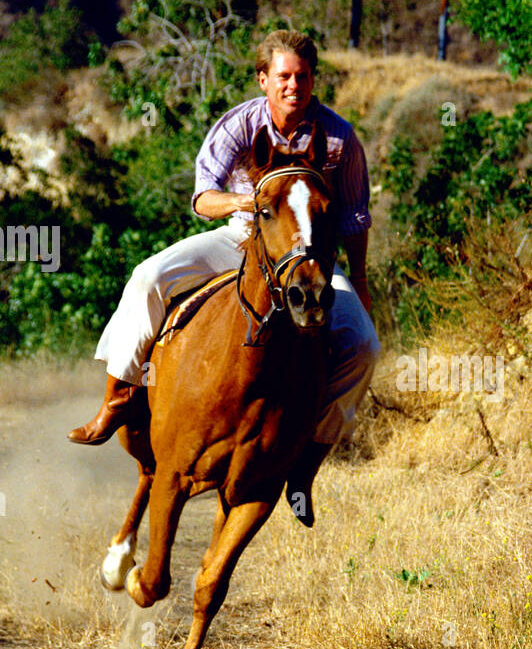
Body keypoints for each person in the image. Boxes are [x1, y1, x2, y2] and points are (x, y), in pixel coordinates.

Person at [67, 29, 380, 527]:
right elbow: (202, 197)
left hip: (309, 255)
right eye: (283, 76)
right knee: (147, 277)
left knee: (364, 345)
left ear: (313, 79)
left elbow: (355, 219)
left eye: (302, 76)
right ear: (264, 79)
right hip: (240, 235)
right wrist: (244, 203)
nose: (293, 85)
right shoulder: (239, 125)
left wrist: (357, 284)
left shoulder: (339, 138)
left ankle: (305, 461)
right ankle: (117, 397)